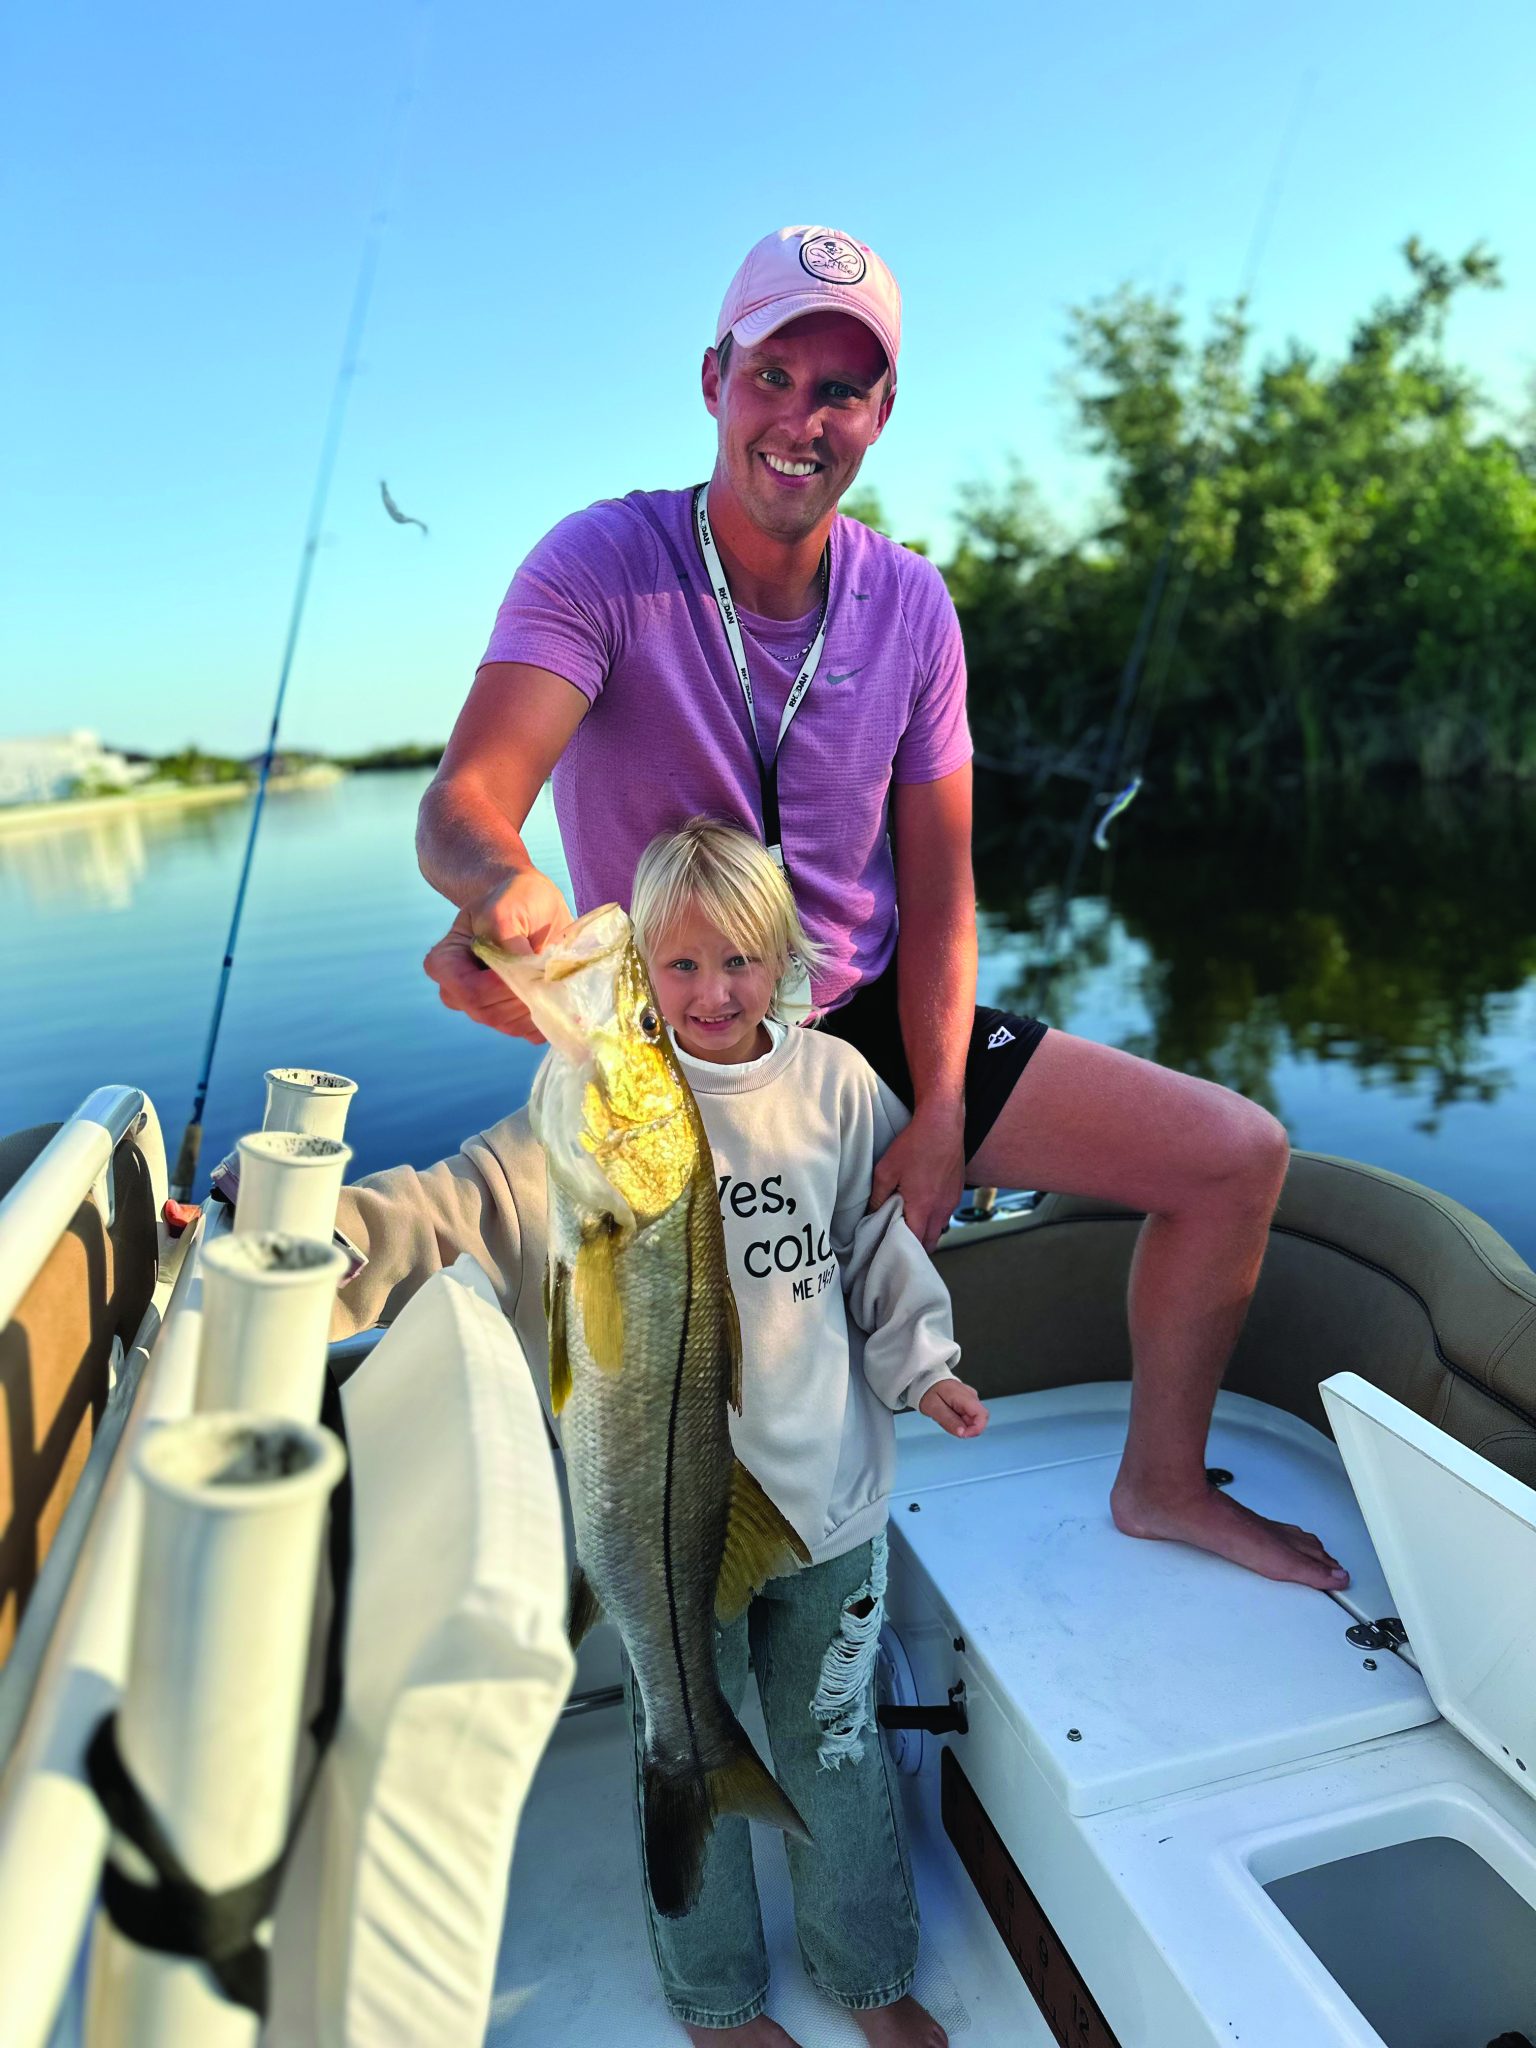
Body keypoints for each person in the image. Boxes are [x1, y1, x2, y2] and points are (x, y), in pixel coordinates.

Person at [416, 222, 1348, 1595]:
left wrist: (945, 1125)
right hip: (687, 1048)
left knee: (1234, 1157)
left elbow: (946, 893)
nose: (802, 418)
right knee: (664, 1363)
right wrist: (507, 894)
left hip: (870, 1016)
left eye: (840, 389)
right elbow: (463, 803)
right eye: (774, 374)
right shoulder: (601, 565)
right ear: (714, 378)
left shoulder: (910, 604)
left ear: (882, 413)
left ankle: (1161, 1484)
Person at [334, 820, 988, 2048]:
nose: (708, 994)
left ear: (784, 961)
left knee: (835, 1749)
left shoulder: (837, 1085)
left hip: (832, 1506)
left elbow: (877, 1247)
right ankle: (716, 1999)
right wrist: (322, 1232)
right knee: (674, 1745)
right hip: (653, 1526)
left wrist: (925, 1367)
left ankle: (871, 1973)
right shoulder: (588, 1114)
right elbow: (458, 1205)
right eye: (674, 972)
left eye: (737, 963)